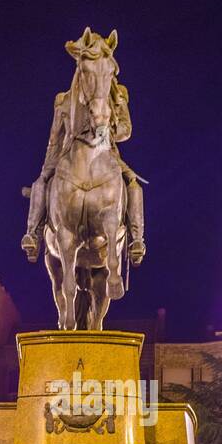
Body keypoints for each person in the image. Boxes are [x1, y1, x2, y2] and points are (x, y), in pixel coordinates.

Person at [22, 28, 146, 269]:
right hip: (68, 152)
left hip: (106, 152)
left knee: (134, 185)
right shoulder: (64, 101)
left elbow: (126, 129)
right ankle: (33, 233)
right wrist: (47, 167)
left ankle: (136, 240)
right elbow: (54, 138)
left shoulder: (118, 96)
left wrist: (108, 131)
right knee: (41, 182)